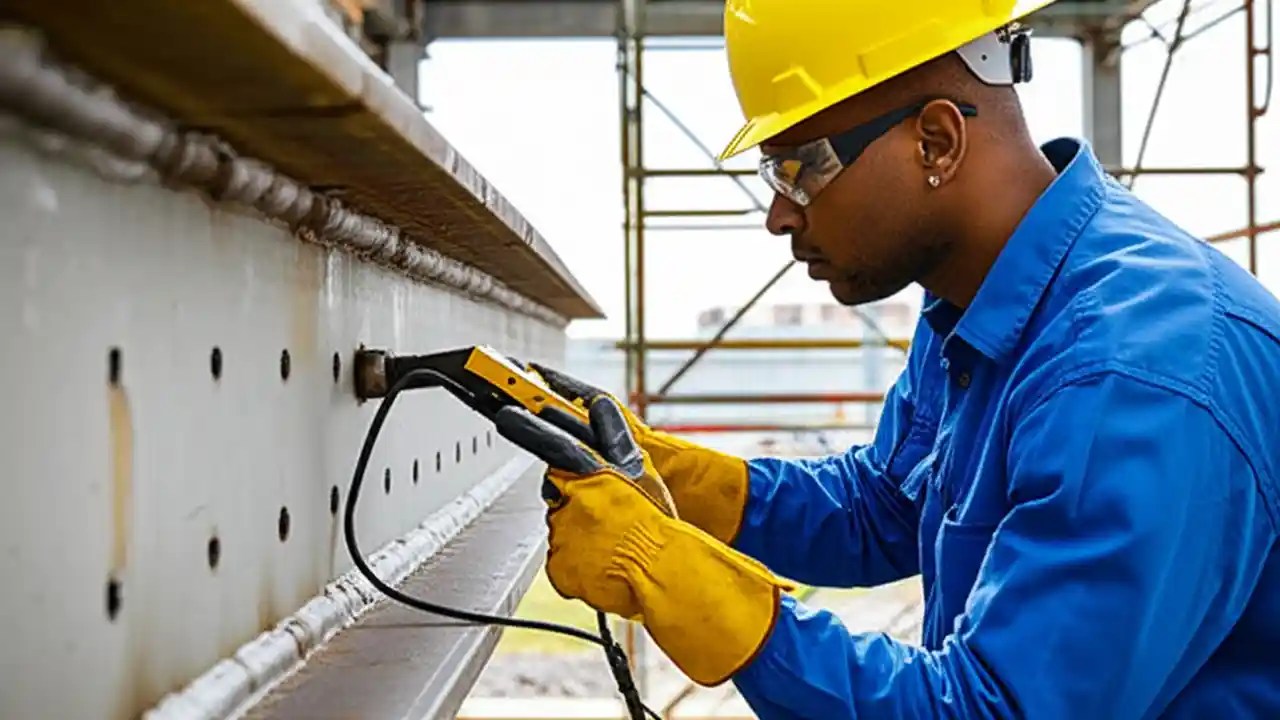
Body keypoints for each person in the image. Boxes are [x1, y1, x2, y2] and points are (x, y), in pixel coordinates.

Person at [506, 1, 1280, 717]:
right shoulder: (981, 295)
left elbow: (993, 710)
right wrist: (672, 475)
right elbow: (884, 509)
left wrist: (674, 577)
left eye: (801, 166)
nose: (780, 213)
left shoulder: (1135, 373)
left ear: (936, 141)